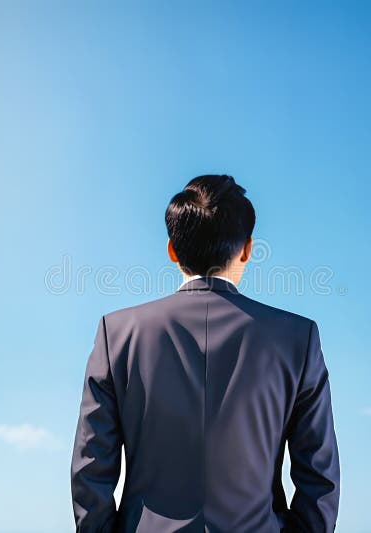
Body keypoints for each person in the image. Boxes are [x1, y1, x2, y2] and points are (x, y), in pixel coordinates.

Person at [70, 175, 340, 532]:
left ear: (172, 250)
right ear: (246, 249)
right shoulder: (297, 339)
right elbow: (319, 479)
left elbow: (90, 471)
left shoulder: (116, 334)